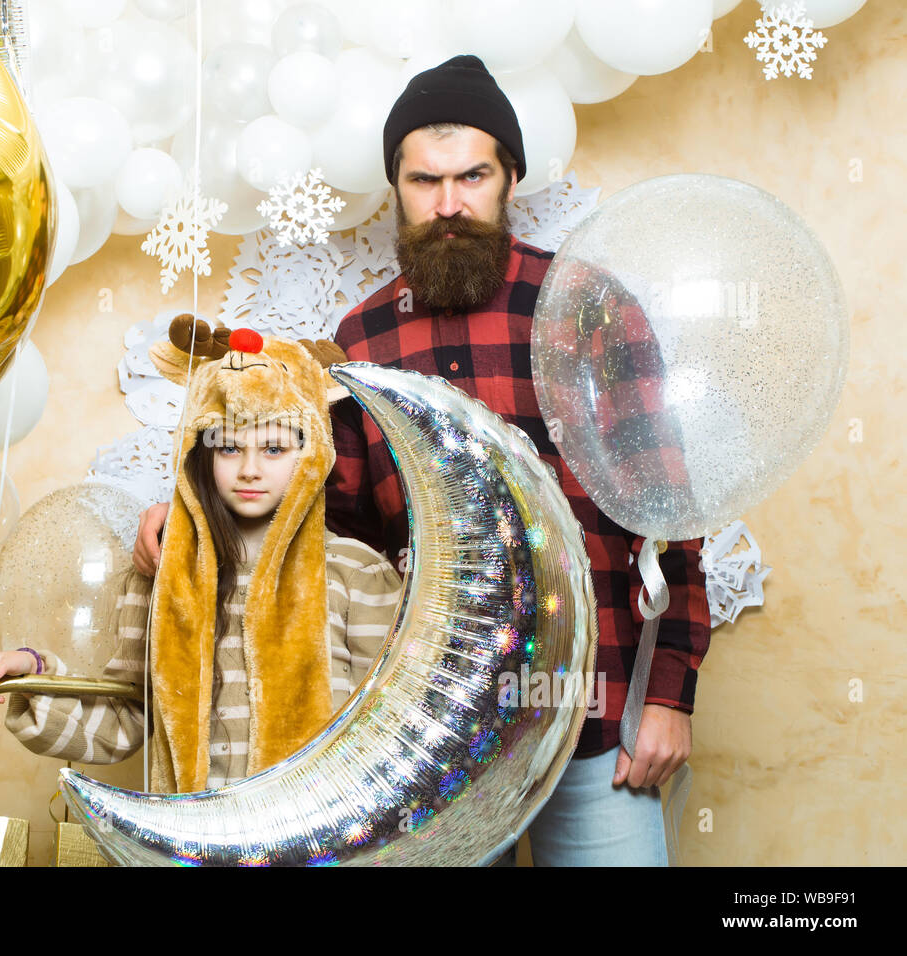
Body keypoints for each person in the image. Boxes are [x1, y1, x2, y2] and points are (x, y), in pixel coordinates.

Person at [133, 55, 711, 864]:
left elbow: (666, 505)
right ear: (395, 189)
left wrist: (670, 698)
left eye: (472, 176)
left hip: (593, 715)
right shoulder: (362, 342)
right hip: (427, 737)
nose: (448, 205)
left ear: (511, 176)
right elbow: (325, 523)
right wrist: (199, 514)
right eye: (424, 181)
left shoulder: (589, 308)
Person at [0, 318, 403, 792]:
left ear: (311, 452)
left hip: (320, 840)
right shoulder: (161, 573)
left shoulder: (357, 572)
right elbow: (127, 715)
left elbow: (389, 723)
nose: (250, 470)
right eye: (229, 447)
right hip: (198, 846)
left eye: (274, 448)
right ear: (200, 451)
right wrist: (32, 678)